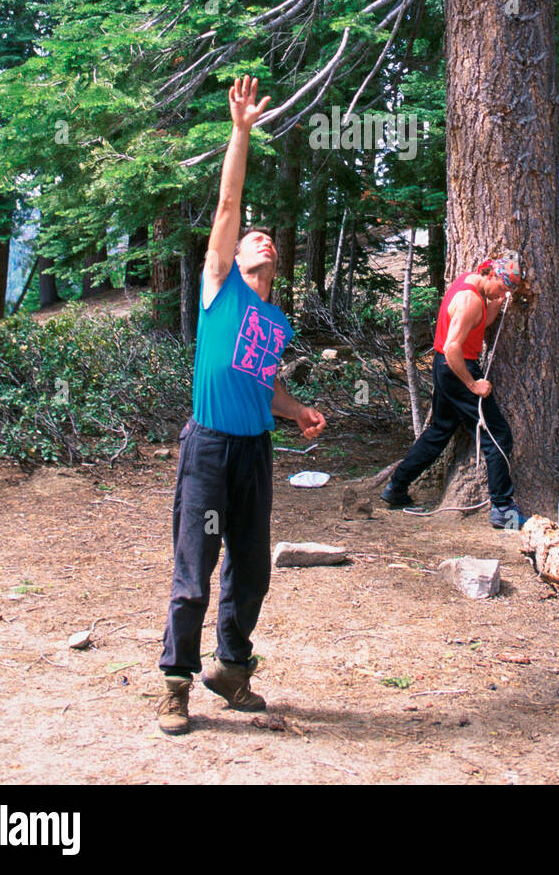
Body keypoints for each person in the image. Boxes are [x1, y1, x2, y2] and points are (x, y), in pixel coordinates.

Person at [157, 75, 326, 735]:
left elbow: (263, 384)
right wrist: (240, 131)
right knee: (195, 570)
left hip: (254, 450)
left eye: (265, 237)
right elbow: (227, 205)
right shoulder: (219, 286)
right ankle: (175, 682)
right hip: (207, 449)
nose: (257, 237)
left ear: (275, 259)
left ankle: (230, 668)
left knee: (250, 571)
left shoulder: (275, 321)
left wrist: (297, 411)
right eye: (248, 235)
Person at [380, 256, 527, 528]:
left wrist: (497, 303)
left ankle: (396, 486)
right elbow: (452, 349)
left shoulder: (472, 283)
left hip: (446, 369)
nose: (503, 294)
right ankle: (503, 510)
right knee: (498, 436)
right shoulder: (470, 299)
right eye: (503, 288)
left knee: (439, 431)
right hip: (456, 368)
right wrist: (473, 384)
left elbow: (478, 323)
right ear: (490, 275)